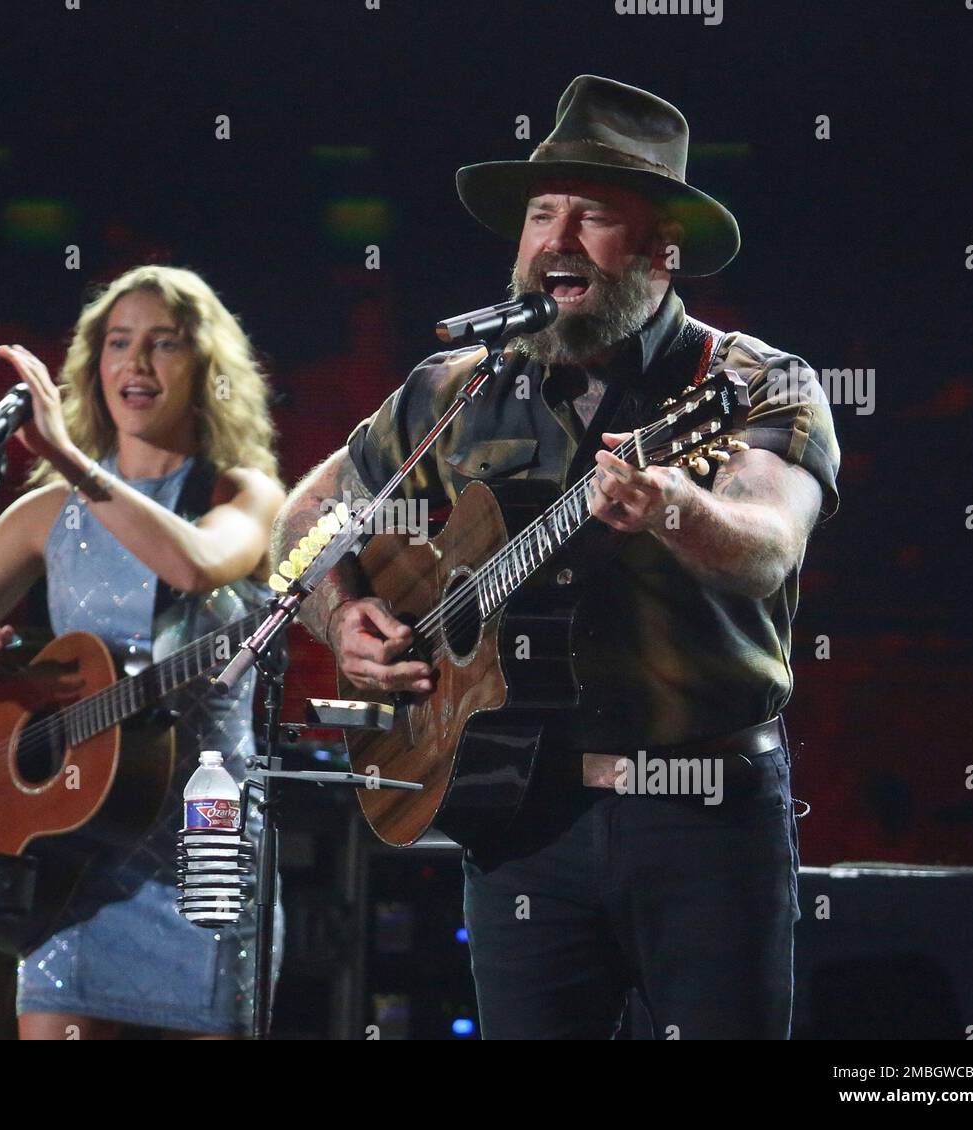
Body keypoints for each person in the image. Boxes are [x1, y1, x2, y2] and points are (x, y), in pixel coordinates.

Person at [273, 75, 840, 1039]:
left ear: (665, 249)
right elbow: (304, 520)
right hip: (517, 821)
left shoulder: (751, 381)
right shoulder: (452, 389)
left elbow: (767, 550)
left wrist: (670, 507)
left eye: (593, 215)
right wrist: (341, 615)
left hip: (702, 821)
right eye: (541, 214)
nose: (555, 239)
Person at [0, 264, 286, 1038]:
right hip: (71, 858)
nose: (136, 365)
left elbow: (194, 566)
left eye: (163, 345)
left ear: (206, 370)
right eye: (118, 343)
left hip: (202, 840)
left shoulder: (242, 494)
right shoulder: (44, 515)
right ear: (92, 366)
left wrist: (73, 459)